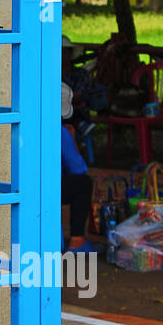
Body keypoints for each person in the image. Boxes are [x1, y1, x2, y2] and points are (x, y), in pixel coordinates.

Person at [62, 82, 95, 252]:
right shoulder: (59, 131)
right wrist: (72, 139)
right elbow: (78, 169)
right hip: (47, 189)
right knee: (84, 183)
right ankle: (77, 239)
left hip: (20, 185)